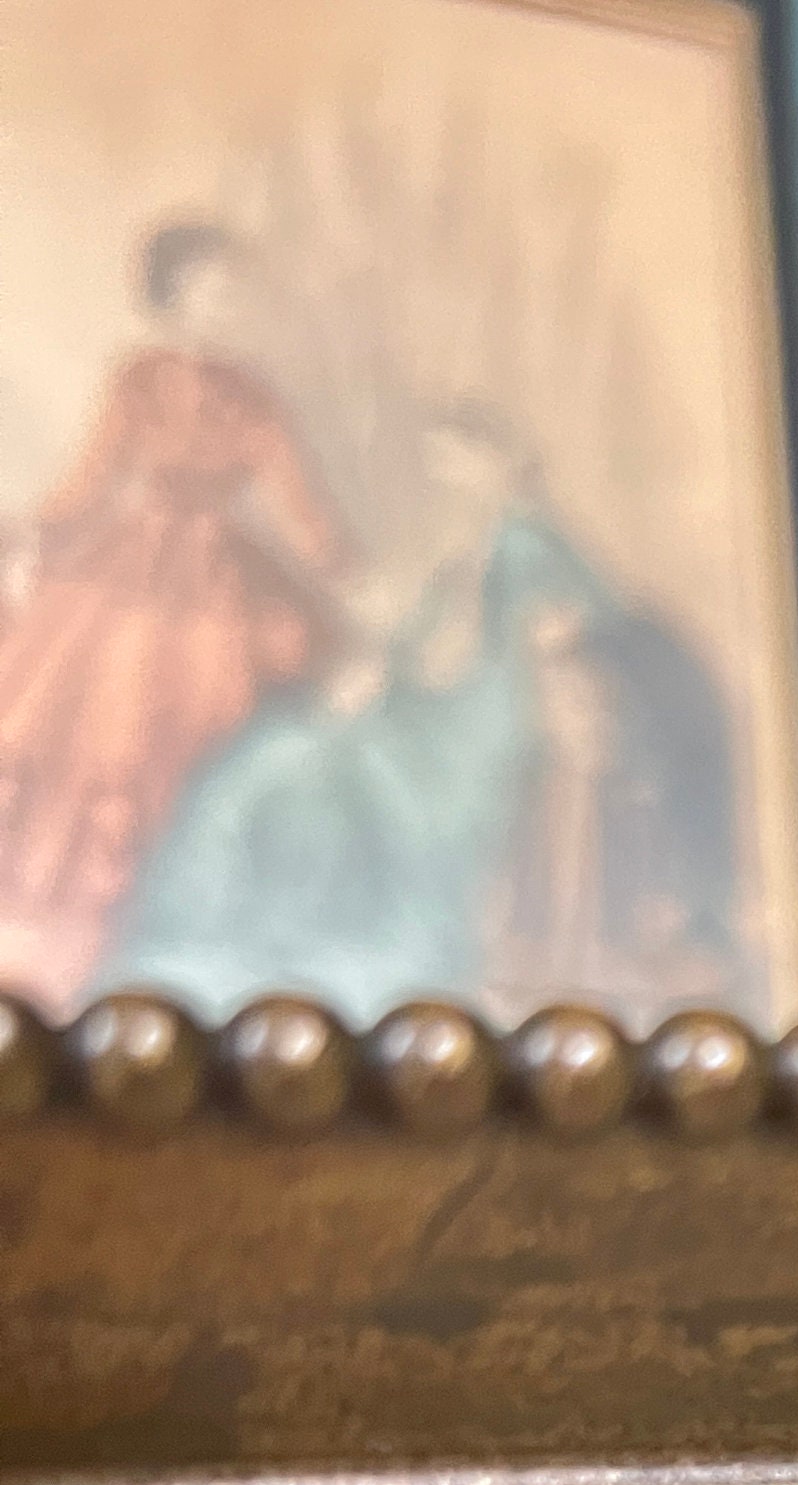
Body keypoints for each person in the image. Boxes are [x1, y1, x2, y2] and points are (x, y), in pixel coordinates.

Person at [116, 402, 742, 1024]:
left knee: (344, 772)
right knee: (284, 750)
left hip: (481, 736)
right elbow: (415, 647)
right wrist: (374, 675)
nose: (449, 478)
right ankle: (226, 930)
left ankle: (323, 937)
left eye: (458, 461)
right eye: (443, 465)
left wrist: (556, 656)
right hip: (430, 714)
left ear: (493, 464)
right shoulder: (466, 560)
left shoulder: (528, 543)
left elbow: (596, 627)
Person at [0, 222, 346, 1008]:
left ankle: (181, 902)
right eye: (213, 290)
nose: (228, 304)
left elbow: (295, 496)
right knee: (102, 681)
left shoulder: (252, 395)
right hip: (133, 555)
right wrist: (35, 537)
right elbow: (90, 479)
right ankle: (78, 907)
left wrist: (337, 561)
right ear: (175, 296)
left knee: (217, 683)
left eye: (234, 290)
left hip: (220, 569)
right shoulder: (138, 379)